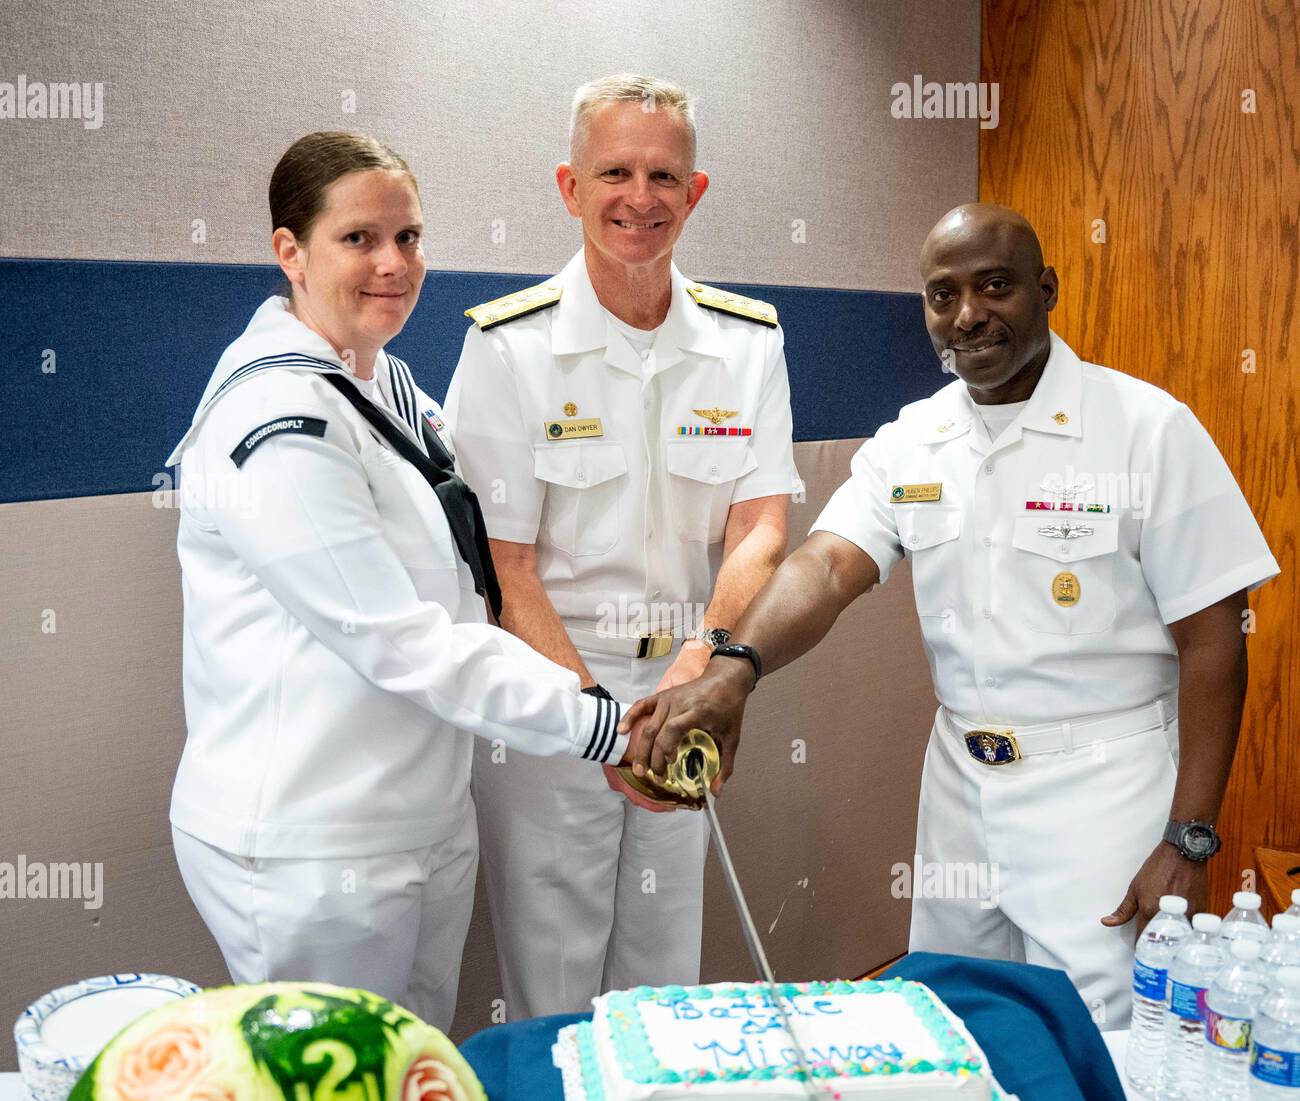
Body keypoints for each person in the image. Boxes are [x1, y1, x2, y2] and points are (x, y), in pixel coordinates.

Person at [621, 203, 1280, 1029]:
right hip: (961, 787)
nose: (967, 315)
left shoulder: (1146, 431)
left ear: (1046, 289)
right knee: (952, 1026)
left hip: (1103, 792)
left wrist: (1189, 839)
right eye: (942, 295)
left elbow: (1213, 639)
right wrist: (731, 671)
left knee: (1104, 1044)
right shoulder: (914, 440)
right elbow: (825, 566)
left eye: (994, 286)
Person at [164, 131, 650, 1034]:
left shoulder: (382, 379)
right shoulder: (279, 419)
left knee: (415, 1089)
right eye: (359, 239)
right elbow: (407, 641)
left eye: (411, 237)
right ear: (290, 252)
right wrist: (607, 726)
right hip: (313, 843)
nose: (394, 264)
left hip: (420, 816)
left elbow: (469, 578)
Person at [444, 74, 799, 1018]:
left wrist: (704, 664)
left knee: (664, 971)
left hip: (689, 677)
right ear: (569, 186)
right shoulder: (509, 348)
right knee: (555, 979)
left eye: (662, 175)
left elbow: (760, 525)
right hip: (556, 688)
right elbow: (503, 571)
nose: (638, 198)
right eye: (613, 171)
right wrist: (597, 718)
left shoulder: (748, 340)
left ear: (696, 191)